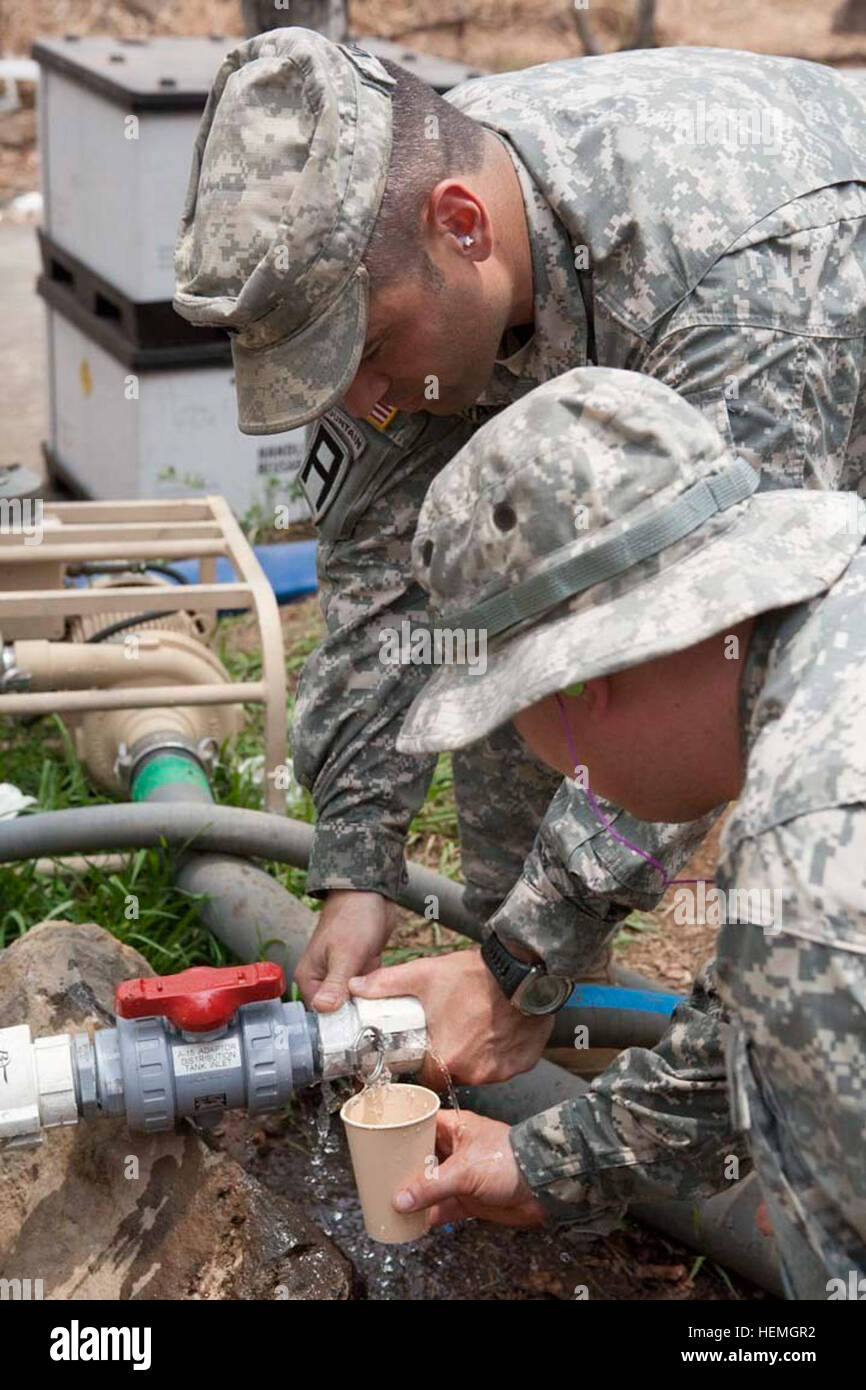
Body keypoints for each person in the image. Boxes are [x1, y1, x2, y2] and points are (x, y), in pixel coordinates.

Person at [174, 27, 866, 1039]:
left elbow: (711, 652)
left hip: (816, 344)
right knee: (509, 620)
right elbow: (383, 555)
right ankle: (552, 1057)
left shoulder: (743, 283)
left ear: (460, 227)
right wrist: (359, 855)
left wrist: (524, 953)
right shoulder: (426, 230)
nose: (364, 398)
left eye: (365, 353)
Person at [354, 365, 865, 1301]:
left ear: (578, 687)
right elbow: (759, 1023)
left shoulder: (812, 854)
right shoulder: (834, 638)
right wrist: (553, 1162)